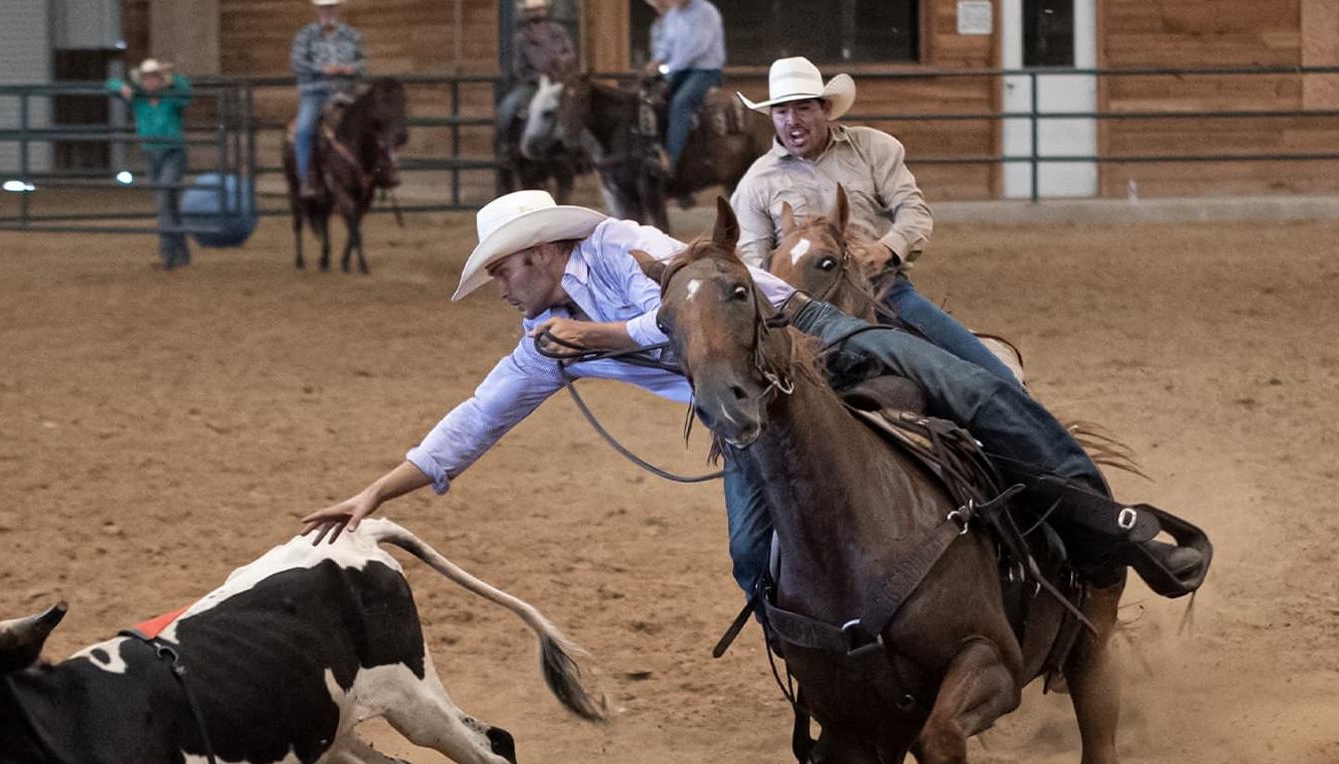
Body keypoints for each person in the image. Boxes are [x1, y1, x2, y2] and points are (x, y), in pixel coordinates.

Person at [296, 192, 1196, 606]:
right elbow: (474, 419)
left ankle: (1107, 525)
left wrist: (608, 339)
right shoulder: (542, 344)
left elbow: (704, 299)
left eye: (499, 273)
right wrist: (377, 492)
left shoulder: (618, 246)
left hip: (809, 337)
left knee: (975, 392)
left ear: (535, 256)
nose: (498, 291)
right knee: (750, 560)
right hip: (749, 414)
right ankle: (828, 686)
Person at [730, 57, 1019, 388]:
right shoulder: (757, 183)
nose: (792, 121)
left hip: (882, 291)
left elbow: (913, 210)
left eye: (803, 108)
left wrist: (886, 249)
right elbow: (751, 260)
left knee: (986, 370)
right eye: (781, 111)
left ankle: (1015, 403)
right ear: (771, 116)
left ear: (825, 109)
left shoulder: (873, 149)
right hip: (801, 310)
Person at [107, 58, 194, 270]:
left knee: (165, 199)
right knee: (168, 203)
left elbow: (186, 93)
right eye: (146, 78)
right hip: (151, 154)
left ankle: (167, 253)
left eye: (154, 77)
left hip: (172, 153)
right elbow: (110, 85)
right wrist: (122, 87)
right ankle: (180, 253)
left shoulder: (171, 97)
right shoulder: (139, 98)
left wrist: (175, 78)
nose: (150, 82)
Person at [290, 0, 367, 198]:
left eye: (332, 7)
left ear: (339, 9)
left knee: (373, 123)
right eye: (324, 7)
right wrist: (322, 69)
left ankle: (377, 171)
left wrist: (352, 68)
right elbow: (298, 64)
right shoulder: (305, 36)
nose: (328, 11)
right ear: (317, 10)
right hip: (316, 92)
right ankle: (305, 179)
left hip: (347, 91)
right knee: (305, 129)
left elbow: (362, 62)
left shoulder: (352, 35)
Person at [643, 0, 726, 168]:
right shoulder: (673, 16)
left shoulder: (705, 12)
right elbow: (666, 45)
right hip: (680, 71)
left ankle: (670, 161)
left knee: (681, 102)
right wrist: (657, 60)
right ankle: (651, 151)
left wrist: (668, 67)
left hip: (706, 71)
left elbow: (697, 47)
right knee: (650, 100)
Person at [496, 0, 579, 144]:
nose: (537, 12)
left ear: (546, 10)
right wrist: (538, 78)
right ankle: (505, 146)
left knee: (580, 109)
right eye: (533, 10)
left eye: (540, 9)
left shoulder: (559, 32)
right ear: (527, 13)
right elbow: (518, 68)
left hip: (561, 81)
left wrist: (562, 63)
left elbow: (571, 54)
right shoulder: (521, 38)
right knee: (507, 108)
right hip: (533, 84)